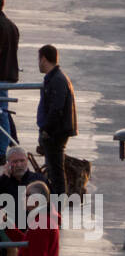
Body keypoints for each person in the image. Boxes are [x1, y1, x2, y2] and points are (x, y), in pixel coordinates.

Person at [35, 44, 75, 197]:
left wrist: (46, 129)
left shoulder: (57, 80)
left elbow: (56, 108)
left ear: (44, 59)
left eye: (38, 60)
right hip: (55, 131)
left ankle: (58, 202)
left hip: (55, 133)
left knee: (56, 170)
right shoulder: (55, 78)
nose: (38, 64)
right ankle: (57, 201)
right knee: (53, 169)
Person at [0, 0, 18, 144]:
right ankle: (12, 141)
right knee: (3, 111)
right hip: (7, 74)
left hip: (1, 75)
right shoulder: (11, 25)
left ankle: (2, 150)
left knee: (2, 114)